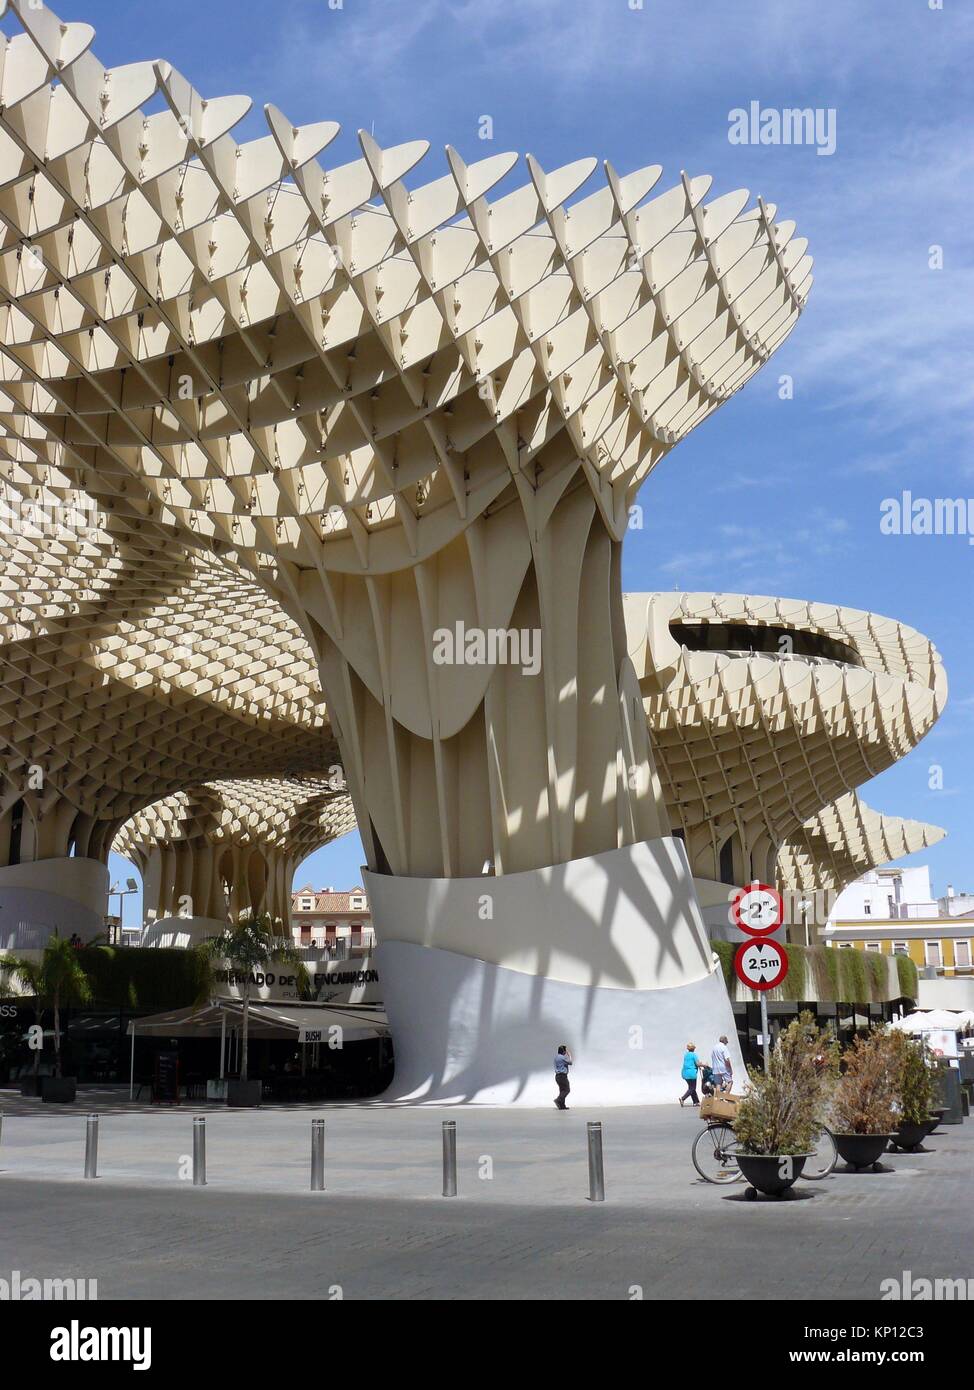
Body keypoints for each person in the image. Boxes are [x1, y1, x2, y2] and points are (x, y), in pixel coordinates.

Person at [679, 1042, 702, 1107]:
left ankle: (696, 1102)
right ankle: (682, 1098)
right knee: (692, 1088)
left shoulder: (686, 1055)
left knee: (691, 1088)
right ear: (693, 1049)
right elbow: (697, 1064)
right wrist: (704, 1065)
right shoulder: (694, 1055)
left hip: (685, 1073)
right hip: (691, 1074)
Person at [554, 1044, 572, 1110]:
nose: (566, 1052)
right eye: (565, 1050)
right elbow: (570, 1062)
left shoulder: (556, 1057)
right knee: (567, 1090)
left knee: (562, 1091)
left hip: (557, 1076)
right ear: (563, 1051)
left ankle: (562, 1106)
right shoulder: (562, 1057)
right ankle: (558, 1100)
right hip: (562, 1076)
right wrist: (569, 1055)